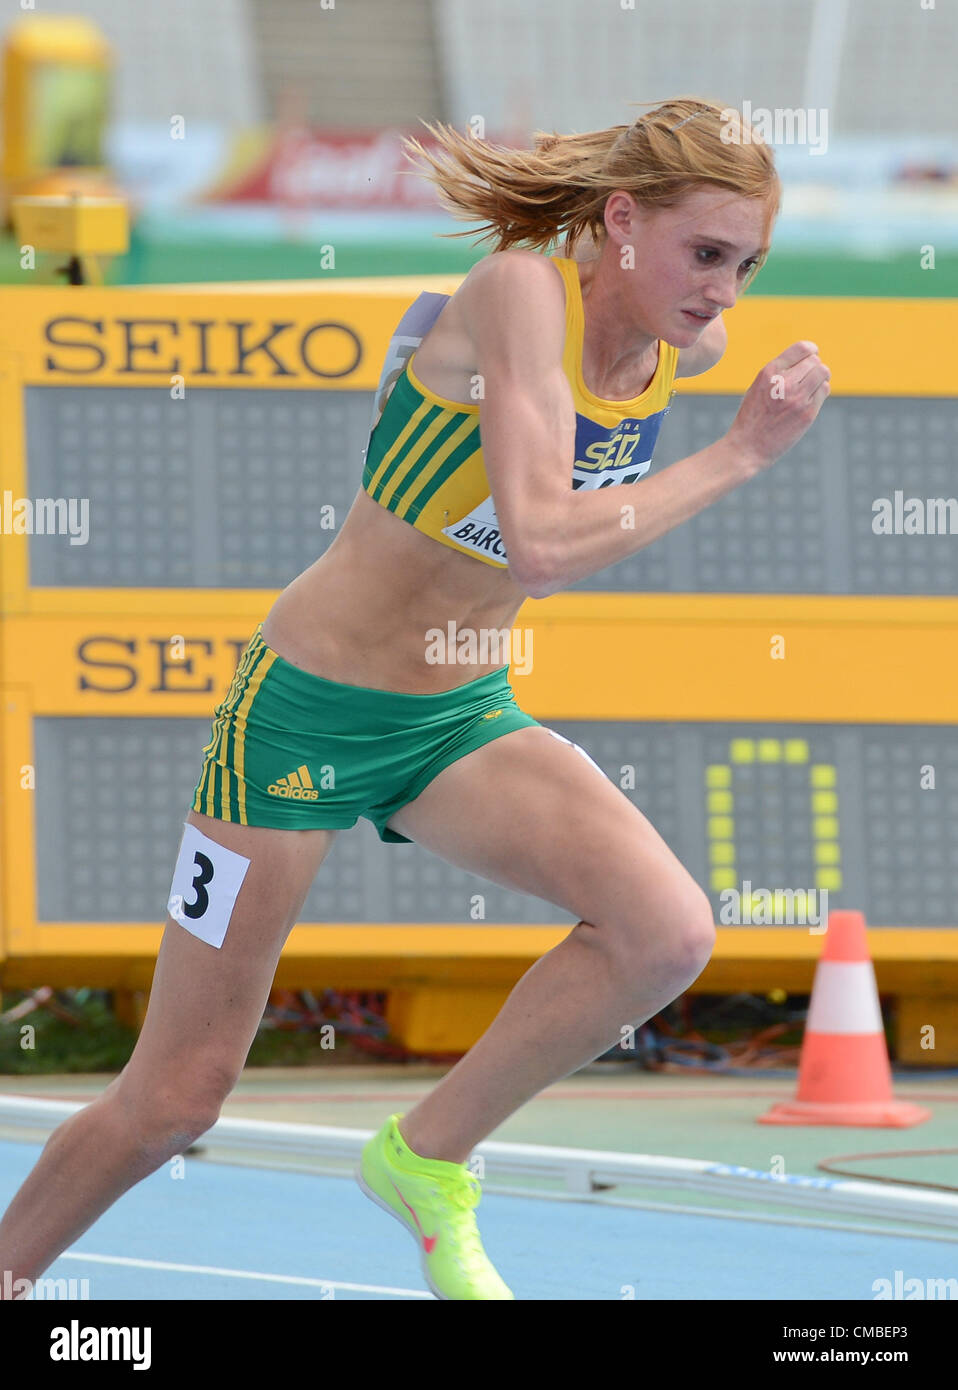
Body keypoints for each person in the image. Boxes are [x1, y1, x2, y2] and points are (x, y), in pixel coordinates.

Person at [0, 97, 830, 1301]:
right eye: (706, 255)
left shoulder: (677, 352)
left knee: (666, 931)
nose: (724, 295)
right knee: (177, 1095)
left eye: (747, 265)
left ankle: (424, 1155)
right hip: (298, 719)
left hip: (454, 723)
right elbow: (541, 541)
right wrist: (742, 451)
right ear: (620, 222)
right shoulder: (519, 294)